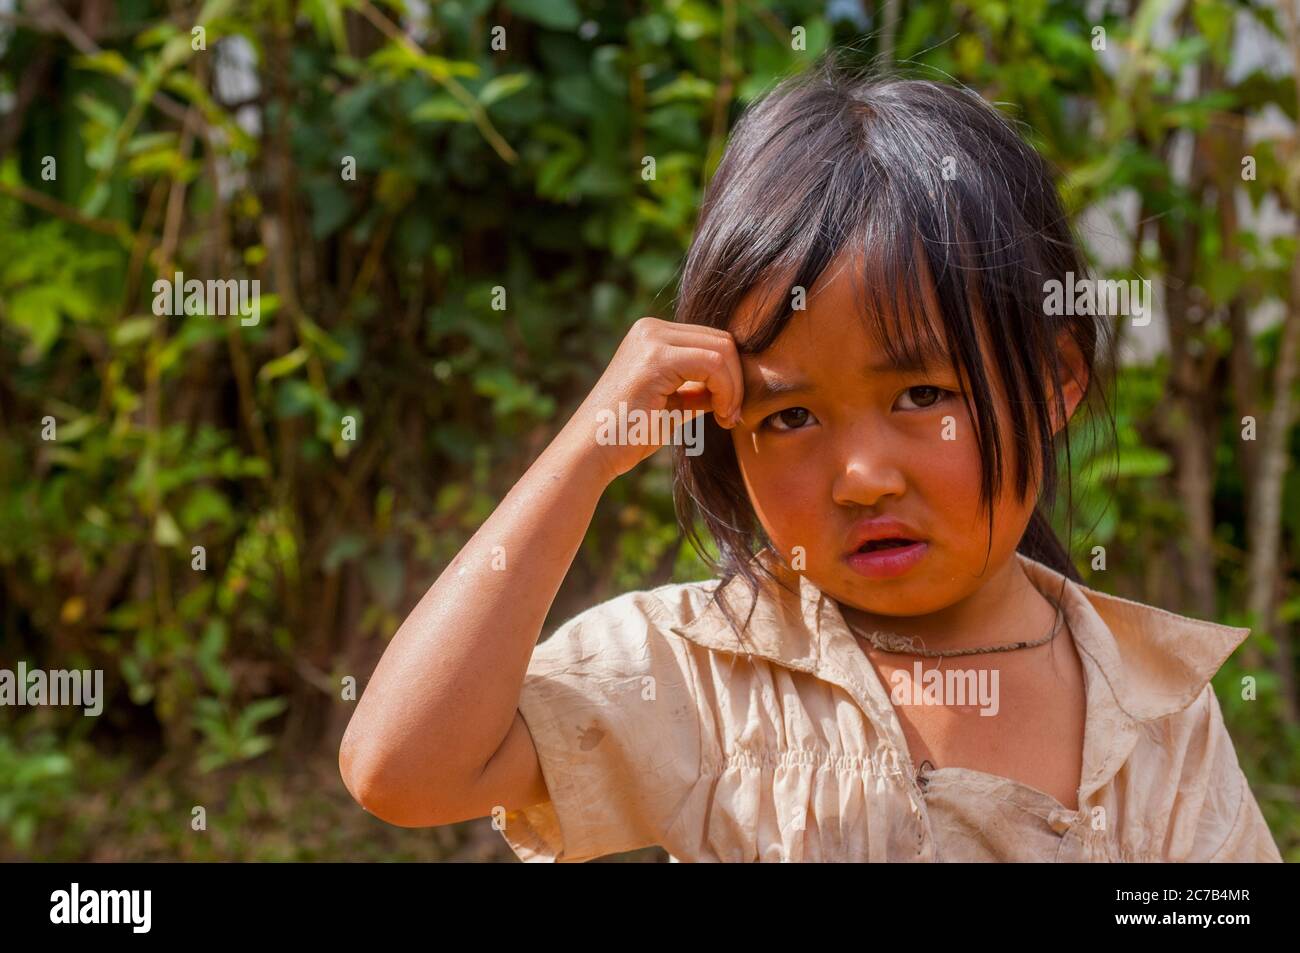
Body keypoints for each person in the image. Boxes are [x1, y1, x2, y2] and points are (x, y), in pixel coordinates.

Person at [338, 59, 1283, 863]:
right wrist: (587, 451)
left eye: (922, 397)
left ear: (1052, 385)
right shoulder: (702, 672)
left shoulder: (1152, 712)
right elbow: (403, 765)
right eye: (789, 416)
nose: (861, 475)